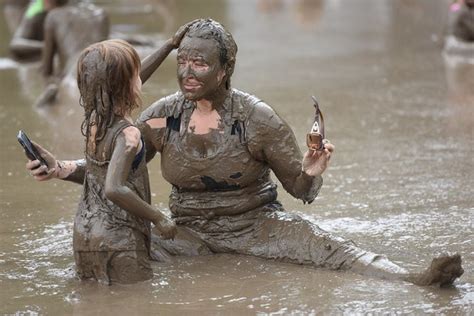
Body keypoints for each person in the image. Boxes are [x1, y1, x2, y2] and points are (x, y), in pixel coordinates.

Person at [27, 19, 464, 287]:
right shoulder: (162, 117)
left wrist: (313, 172)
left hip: (257, 224)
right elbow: (108, 168)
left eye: (200, 64)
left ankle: (416, 278)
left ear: (225, 69)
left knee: (334, 251)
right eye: (183, 61)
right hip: (186, 232)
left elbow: (301, 191)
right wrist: (60, 166)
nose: (188, 72)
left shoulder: (258, 119)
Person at [26, 26, 191, 284]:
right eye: (134, 75)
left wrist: (58, 168)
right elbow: (114, 188)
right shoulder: (129, 135)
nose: (140, 78)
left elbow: (96, 174)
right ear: (125, 86)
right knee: (134, 304)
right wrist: (159, 218)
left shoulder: (95, 123)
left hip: (84, 235)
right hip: (120, 241)